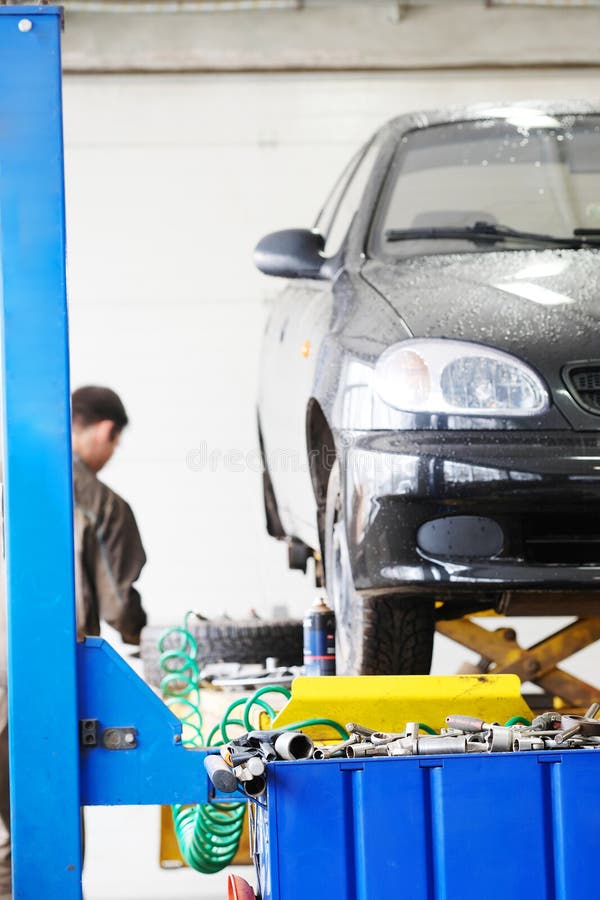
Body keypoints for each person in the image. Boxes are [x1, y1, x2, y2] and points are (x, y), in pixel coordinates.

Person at [0, 385, 148, 898]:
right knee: (48, 834)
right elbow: (117, 604)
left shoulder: (13, 477)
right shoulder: (100, 503)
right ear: (106, 431)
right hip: (42, 686)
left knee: (8, 837)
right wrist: (140, 633)